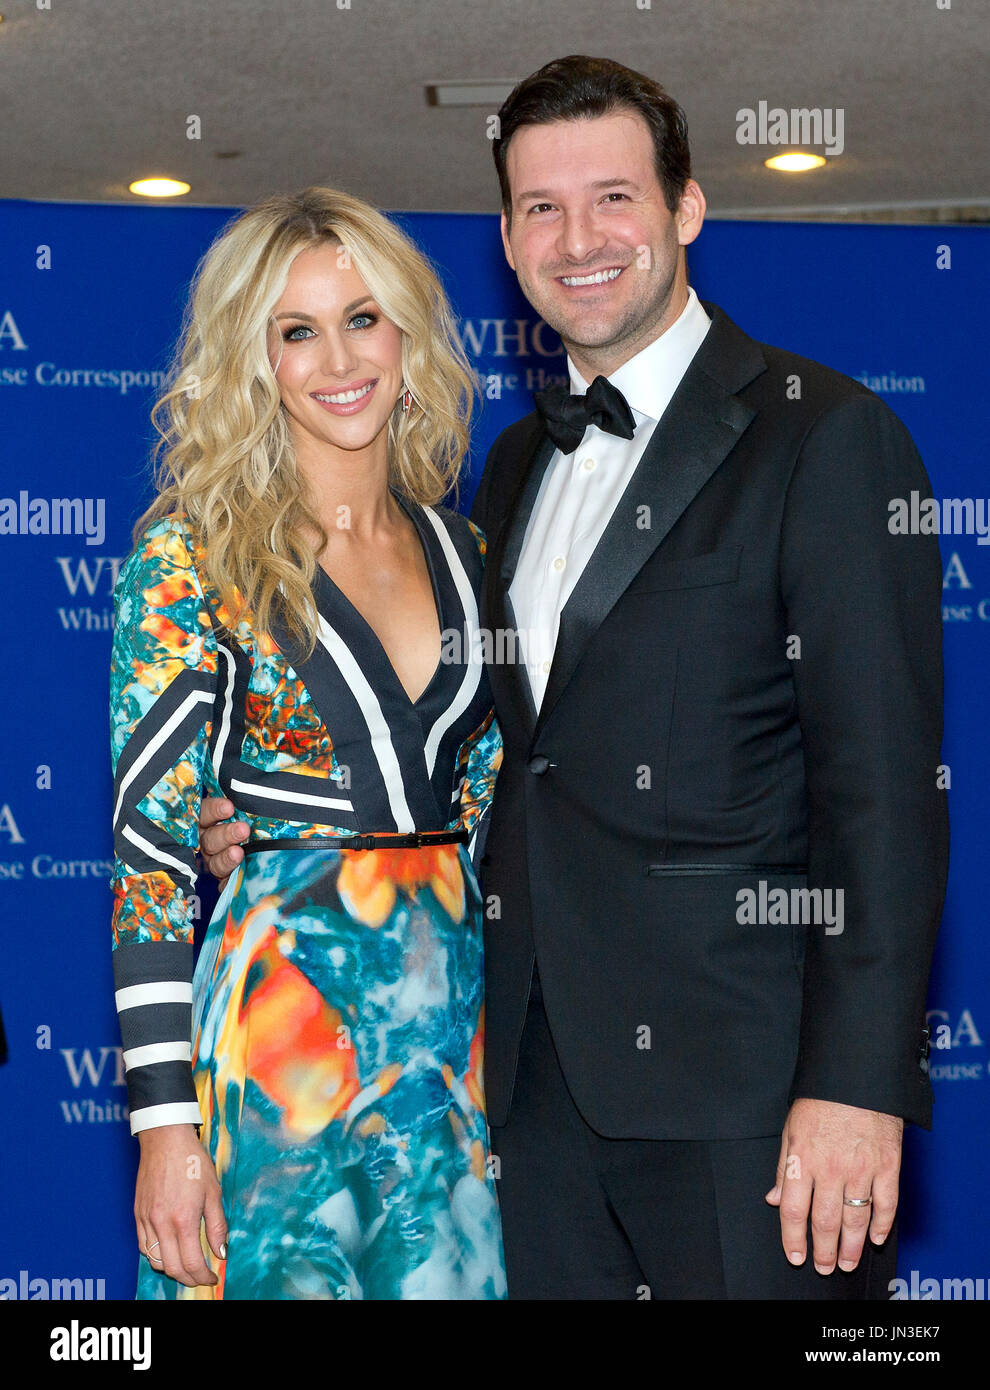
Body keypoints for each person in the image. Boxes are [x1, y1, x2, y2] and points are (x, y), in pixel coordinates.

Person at [201, 56, 948, 1300]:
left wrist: (857, 1085)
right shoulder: (504, 472)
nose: (578, 238)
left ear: (687, 210)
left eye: (613, 198)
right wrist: (286, 826)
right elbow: (487, 764)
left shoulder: (827, 437)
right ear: (506, 238)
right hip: (523, 1101)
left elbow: (883, 794)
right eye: (541, 208)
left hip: (749, 1108)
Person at [109, 186, 507, 1300]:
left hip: (453, 1044)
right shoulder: (193, 559)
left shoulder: (466, 550)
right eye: (297, 329)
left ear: (409, 336)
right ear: (256, 360)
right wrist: (164, 1128)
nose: (339, 356)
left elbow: (488, 818)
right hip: (281, 1036)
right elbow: (147, 868)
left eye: (363, 317)